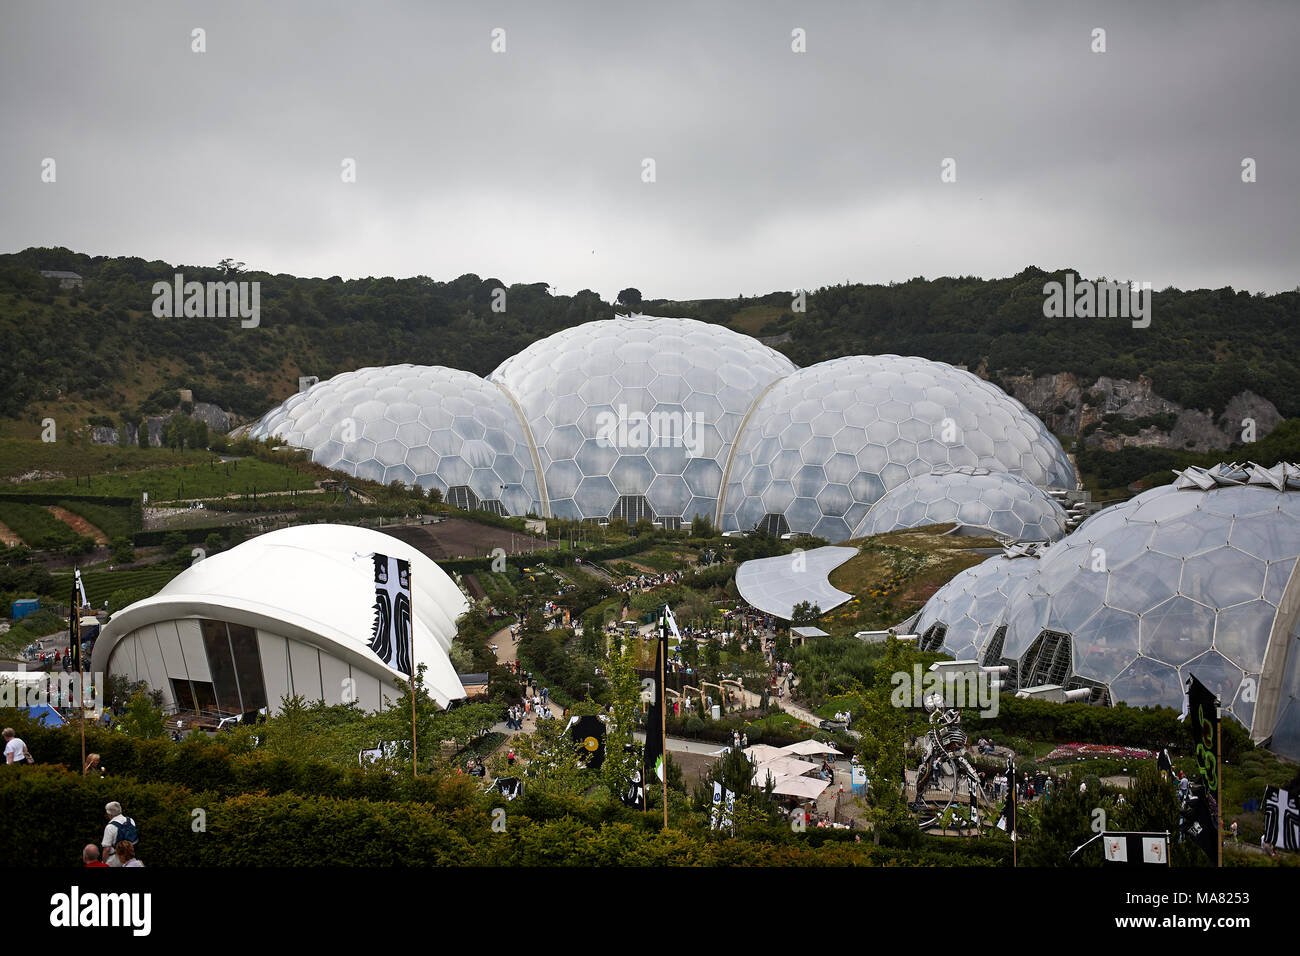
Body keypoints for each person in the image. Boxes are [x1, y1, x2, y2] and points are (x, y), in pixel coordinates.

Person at [101, 802, 137, 867]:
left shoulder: (110, 827)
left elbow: (107, 849)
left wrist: (103, 862)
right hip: (129, 857)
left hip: (114, 859)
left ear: (110, 814)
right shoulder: (131, 821)